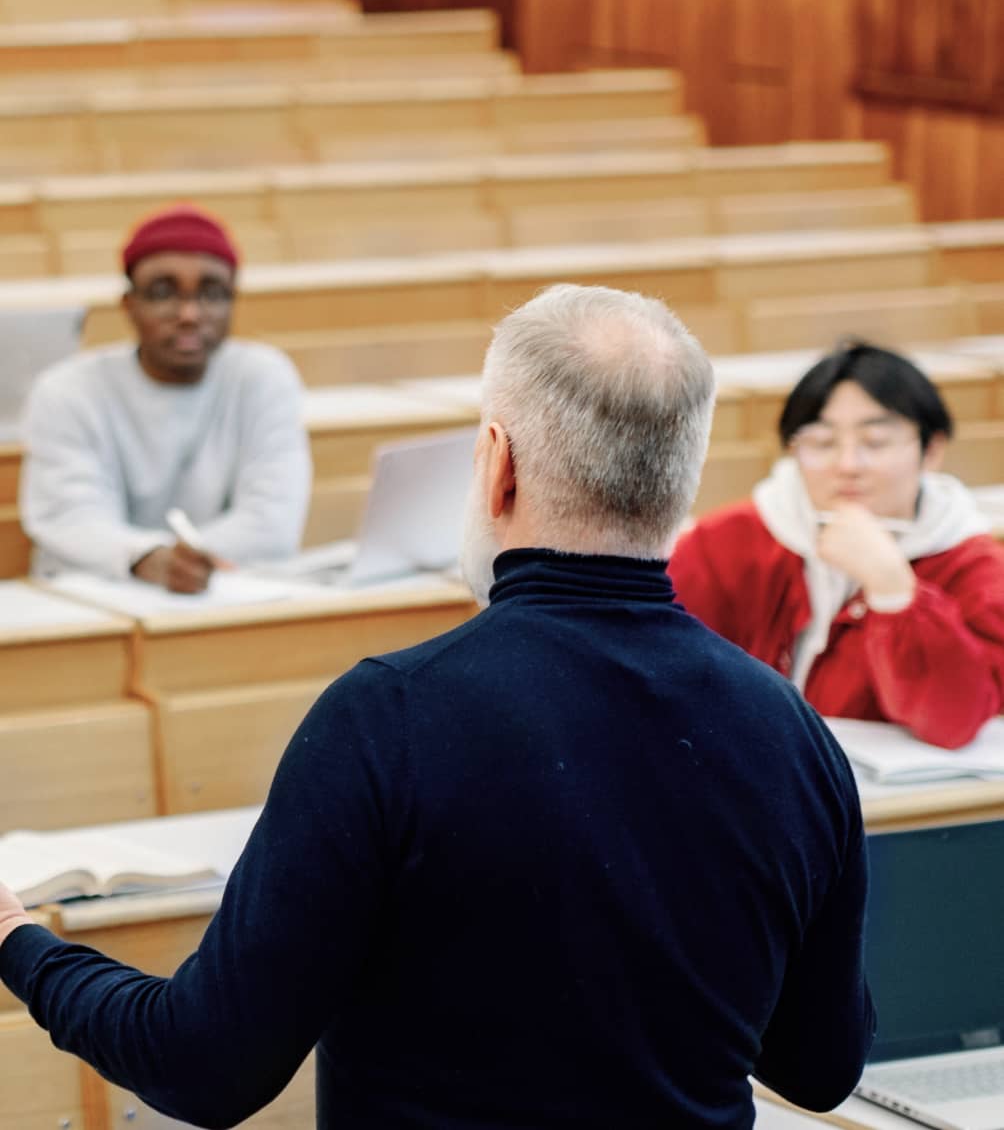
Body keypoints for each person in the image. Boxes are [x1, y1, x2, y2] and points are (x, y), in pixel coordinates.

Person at [0, 285, 874, 1128]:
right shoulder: (791, 735)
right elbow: (820, 1068)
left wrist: (24, 946)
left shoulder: (387, 719)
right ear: (680, 478)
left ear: (497, 462)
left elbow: (202, 1066)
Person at [672, 341, 1004, 750]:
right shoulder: (728, 540)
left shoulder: (975, 567)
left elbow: (954, 721)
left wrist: (895, 592)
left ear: (930, 449)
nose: (848, 465)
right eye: (822, 443)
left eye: (876, 442)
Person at [19, 205, 312, 593]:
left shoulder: (262, 376)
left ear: (233, 301)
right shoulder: (67, 390)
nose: (190, 313)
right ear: (129, 304)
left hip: (227, 595)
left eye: (211, 293)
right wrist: (147, 558)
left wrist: (183, 564)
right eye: (162, 292)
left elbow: (272, 521)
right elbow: (70, 518)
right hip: (98, 598)